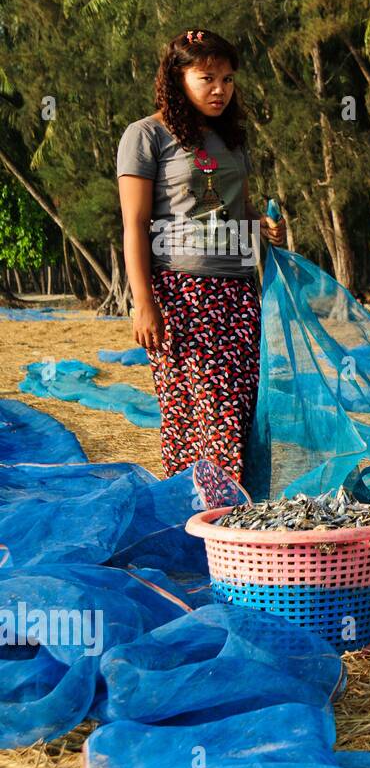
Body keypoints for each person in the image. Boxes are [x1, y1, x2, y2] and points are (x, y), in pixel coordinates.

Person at [116, 28, 285, 489]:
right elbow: (134, 224)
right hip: (182, 295)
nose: (220, 90)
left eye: (228, 79)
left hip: (238, 291)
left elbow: (240, 209)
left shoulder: (232, 139)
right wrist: (143, 301)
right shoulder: (146, 136)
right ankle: (206, 512)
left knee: (240, 406)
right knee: (199, 409)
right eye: (206, 78)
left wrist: (262, 226)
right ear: (177, 78)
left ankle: (233, 515)